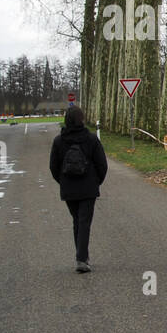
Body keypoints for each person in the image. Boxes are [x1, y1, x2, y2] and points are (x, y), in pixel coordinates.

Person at [49, 105, 108, 273]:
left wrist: (62, 181)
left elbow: (53, 166)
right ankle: (82, 258)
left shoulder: (59, 141)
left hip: (69, 188)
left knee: (77, 221)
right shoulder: (91, 139)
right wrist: (96, 182)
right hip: (88, 187)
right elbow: (102, 164)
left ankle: (81, 256)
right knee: (84, 222)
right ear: (82, 119)